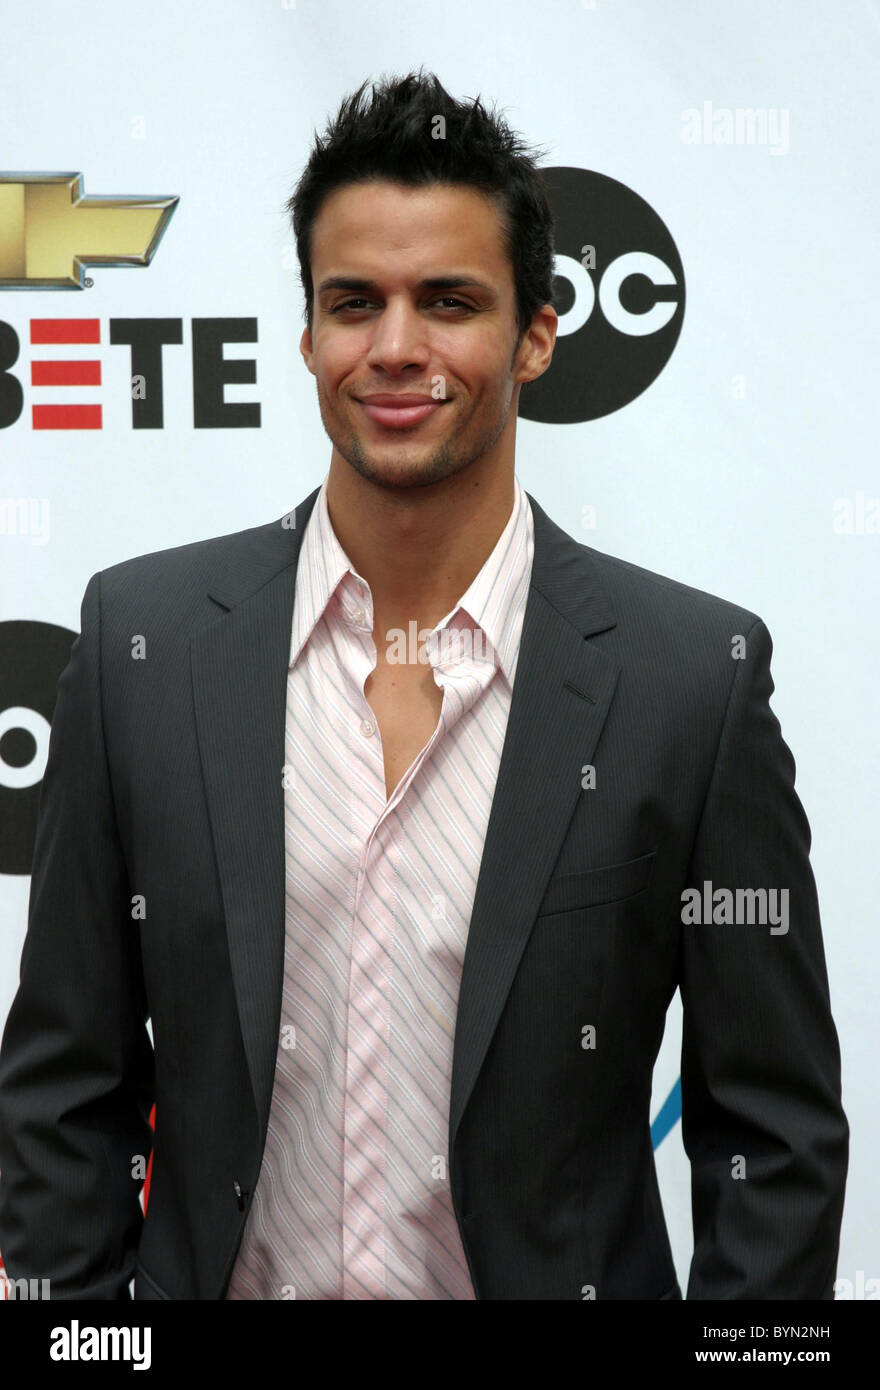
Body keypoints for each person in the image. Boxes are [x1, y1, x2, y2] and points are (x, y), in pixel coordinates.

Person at [0, 70, 848, 1300]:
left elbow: (773, 1138)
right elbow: (65, 1091)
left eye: (448, 301)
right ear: (305, 336)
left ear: (537, 334)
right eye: (355, 302)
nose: (396, 348)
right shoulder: (143, 648)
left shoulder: (687, 686)